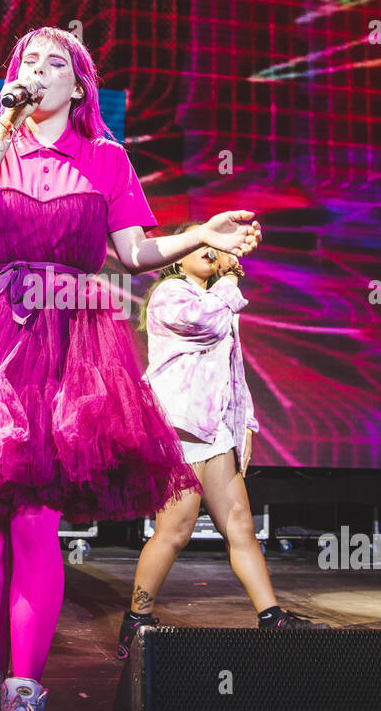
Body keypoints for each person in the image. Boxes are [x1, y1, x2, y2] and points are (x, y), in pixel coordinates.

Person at [0, 27, 262, 711]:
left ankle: (24, 694)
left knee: (37, 525)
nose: (39, 71)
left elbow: (133, 251)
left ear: (79, 86)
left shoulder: (105, 157)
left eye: (54, 63)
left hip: (70, 343)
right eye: (27, 63)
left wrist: (198, 236)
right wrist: (5, 127)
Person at [117, 226, 325, 660]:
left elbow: (233, 367)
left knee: (240, 526)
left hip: (216, 431)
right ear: (178, 256)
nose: (211, 252)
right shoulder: (172, 294)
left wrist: (245, 423)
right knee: (175, 531)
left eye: (216, 247)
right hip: (181, 427)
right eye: (201, 245)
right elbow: (206, 326)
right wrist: (229, 281)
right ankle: (136, 620)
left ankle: (272, 617)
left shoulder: (220, 299)